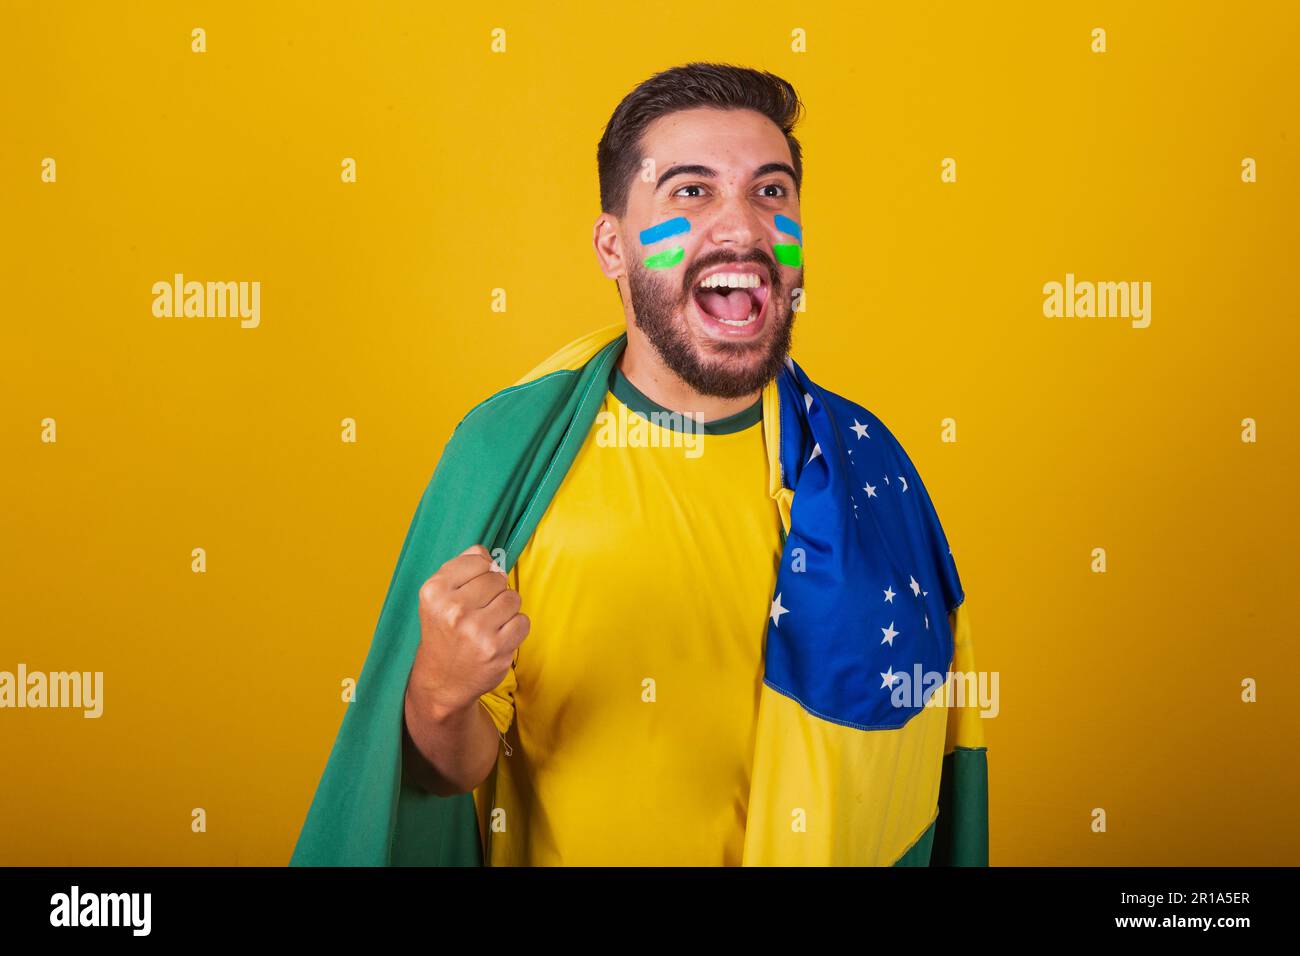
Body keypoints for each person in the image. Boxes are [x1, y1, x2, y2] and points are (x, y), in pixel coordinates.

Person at [291, 62, 987, 867]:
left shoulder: (871, 473)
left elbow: (923, 757)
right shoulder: (511, 459)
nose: (743, 229)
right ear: (612, 247)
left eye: (772, 192)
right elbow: (445, 773)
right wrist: (441, 695)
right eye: (691, 192)